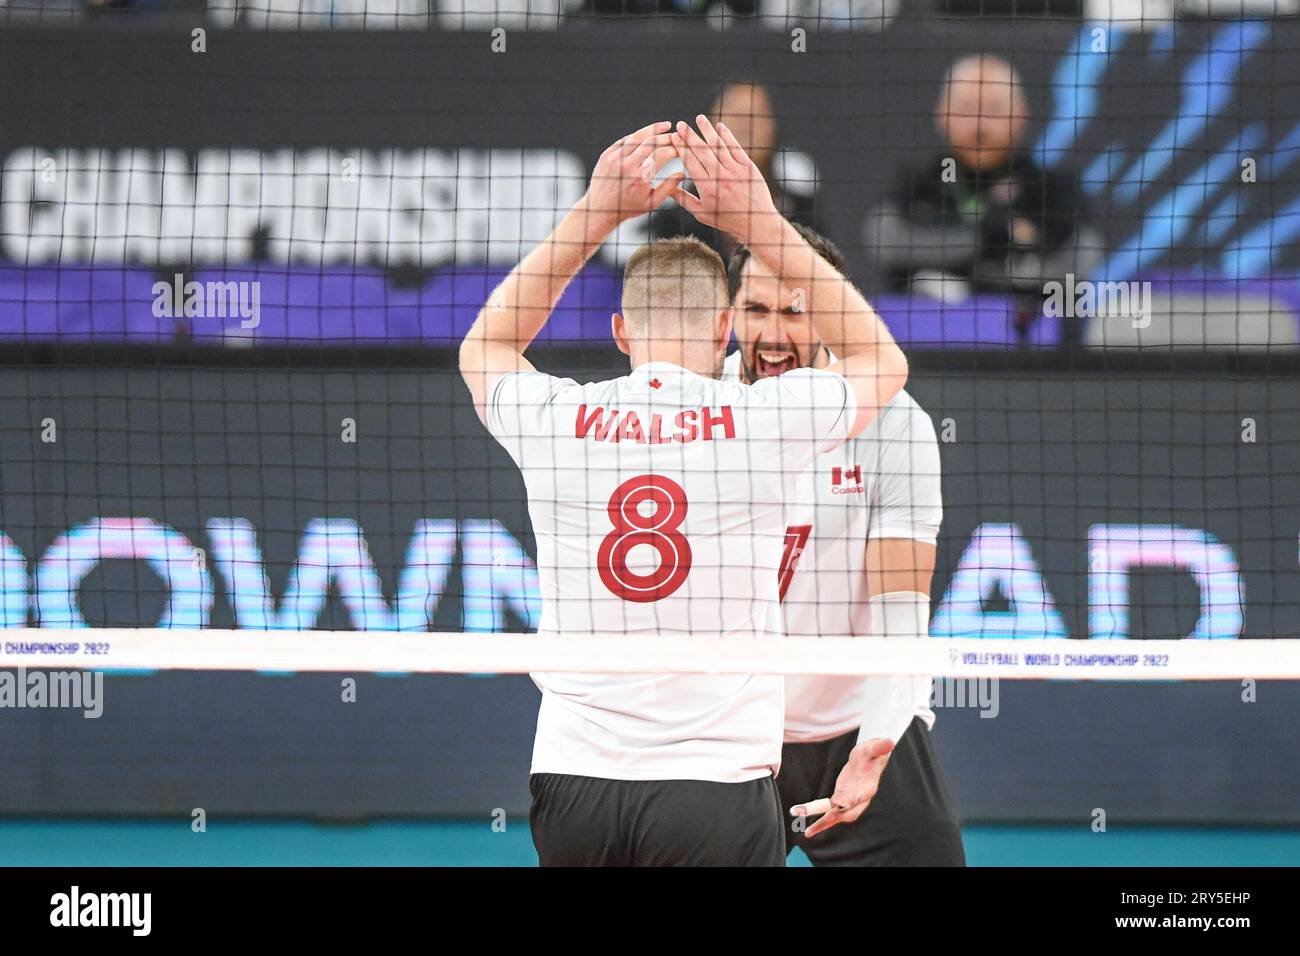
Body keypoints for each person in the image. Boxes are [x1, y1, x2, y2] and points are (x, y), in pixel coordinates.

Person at [459, 118, 908, 866]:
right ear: (728, 328)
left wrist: (595, 213)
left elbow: (487, 345)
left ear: (620, 332)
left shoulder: (557, 417)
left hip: (576, 780)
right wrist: (762, 223)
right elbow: (879, 358)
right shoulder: (766, 417)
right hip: (715, 786)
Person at [724, 222, 966, 865]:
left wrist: (879, 743)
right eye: (755, 309)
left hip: (857, 727)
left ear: (831, 315)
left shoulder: (893, 423)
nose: (773, 335)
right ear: (729, 314)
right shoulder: (703, 410)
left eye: (796, 311)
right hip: (729, 732)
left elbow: (901, 616)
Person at [863, 54, 1101, 343]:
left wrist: (971, 273)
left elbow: (1081, 257)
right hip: (928, 351)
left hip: (1034, 351)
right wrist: (990, 237)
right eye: (966, 110)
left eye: (994, 111)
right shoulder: (916, 187)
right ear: (943, 114)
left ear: (1021, 115)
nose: (979, 127)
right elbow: (885, 244)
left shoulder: (1055, 190)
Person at [651, 82, 823, 259]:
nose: (745, 123)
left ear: (774, 127)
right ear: (708, 122)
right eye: (734, 111)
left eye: (757, 113)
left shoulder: (805, 213)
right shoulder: (675, 219)